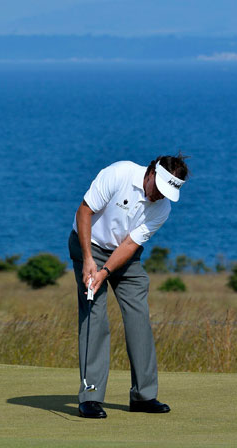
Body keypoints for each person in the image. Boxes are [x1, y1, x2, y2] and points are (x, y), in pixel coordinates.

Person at [68, 153, 189, 419]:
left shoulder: (162, 209)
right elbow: (84, 211)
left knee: (138, 316)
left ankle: (144, 395)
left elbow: (130, 245)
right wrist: (89, 260)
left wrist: (106, 271)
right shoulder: (119, 173)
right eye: (159, 189)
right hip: (87, 243)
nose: (160, 196)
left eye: (167, 193)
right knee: (94, 316)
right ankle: (90, 396)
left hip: (123, 256)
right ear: (151, 174)